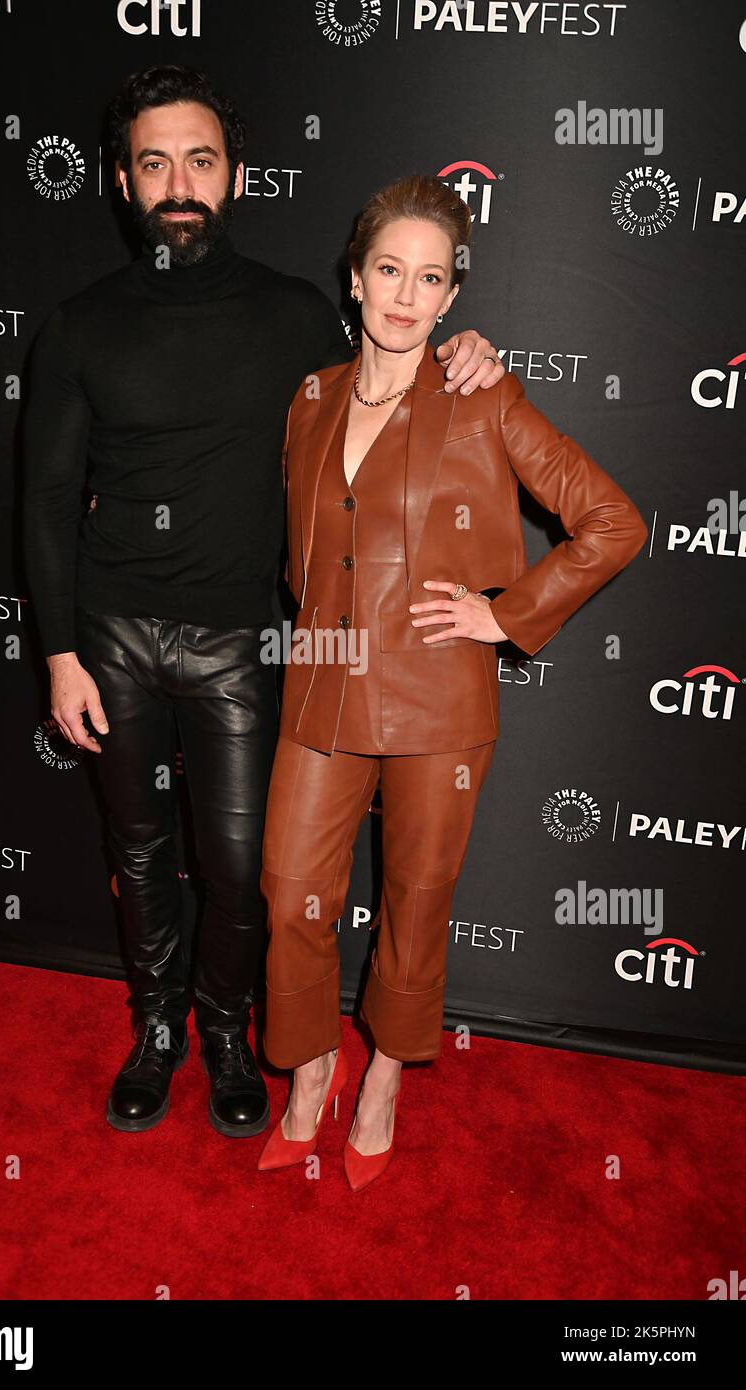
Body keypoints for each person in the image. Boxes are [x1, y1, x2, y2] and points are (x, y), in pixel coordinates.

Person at [21, 66, 506, 1140]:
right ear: (122, 181)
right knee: (140, 848)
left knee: (243, 864)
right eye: (155, 162)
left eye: (200, 159)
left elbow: (392, 385)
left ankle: (228, 1030)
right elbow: (48, 499)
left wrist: (472, 357)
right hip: (111, 634)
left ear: (234, 176)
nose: (179, 181)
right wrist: (59, 653)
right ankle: (157, 1030)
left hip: (246, 640)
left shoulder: (296, 317)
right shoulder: (79, 325)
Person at [257, 173, 648, 1188]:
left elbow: (614, 523)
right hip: (320, 684)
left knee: (416, 903)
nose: (404, 293)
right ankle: (307, 1070)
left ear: (449, 299)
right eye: (389, 269)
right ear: (355, 279)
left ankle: (383, 1074)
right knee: (292, 890)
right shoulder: (306, 400)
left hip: (439, 698)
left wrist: (504, 613)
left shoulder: (482, 393)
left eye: (429, 278)